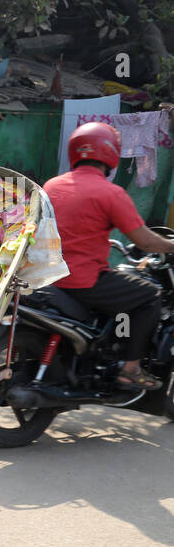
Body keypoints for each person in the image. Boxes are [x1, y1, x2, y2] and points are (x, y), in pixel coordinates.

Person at [47, 121, 174, 390]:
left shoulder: (52, 185)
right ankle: (130, 369)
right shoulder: (111, 193)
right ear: (111, 154)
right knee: (150, 295)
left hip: (46, 276)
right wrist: (171, 245)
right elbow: (143, 240)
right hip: (82, 280)